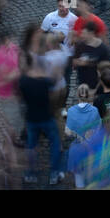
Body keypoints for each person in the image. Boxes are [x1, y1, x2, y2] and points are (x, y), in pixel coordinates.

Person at [19, 33, 65, 186]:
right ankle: (54, 173)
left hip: (31, 119)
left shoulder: (23, 81)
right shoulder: (44, 81)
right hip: (46, 117)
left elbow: (21, 98)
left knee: (31, 146)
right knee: (54, 142)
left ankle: (30, 174)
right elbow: (55, 87)